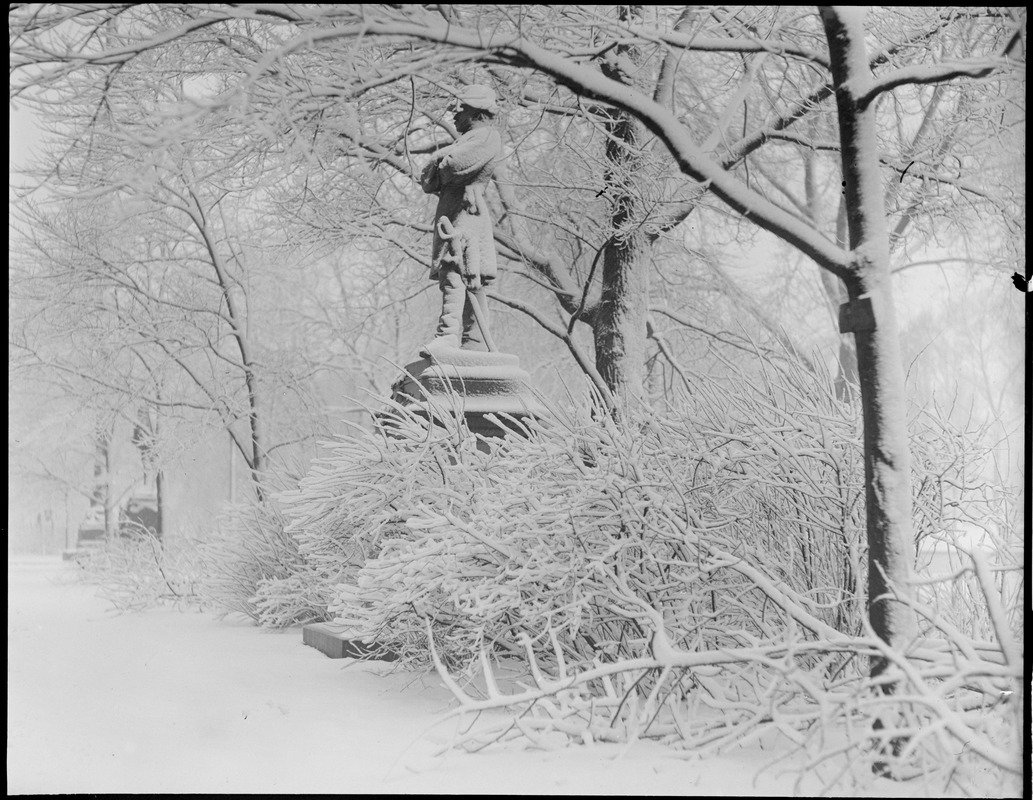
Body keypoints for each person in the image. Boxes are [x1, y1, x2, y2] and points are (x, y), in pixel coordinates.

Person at [419, 84, 503, 357]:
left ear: (477, 110)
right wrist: (442, 160)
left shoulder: (487, 136)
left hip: (467, 215)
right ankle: (473, 342)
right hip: (456, 214)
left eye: (461, 107)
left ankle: (450, 336)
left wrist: (439, 159)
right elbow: (429, 181)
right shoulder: (465, 140)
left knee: (458, 270)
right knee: (460, 273)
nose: (453, 112)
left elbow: (453, 168)